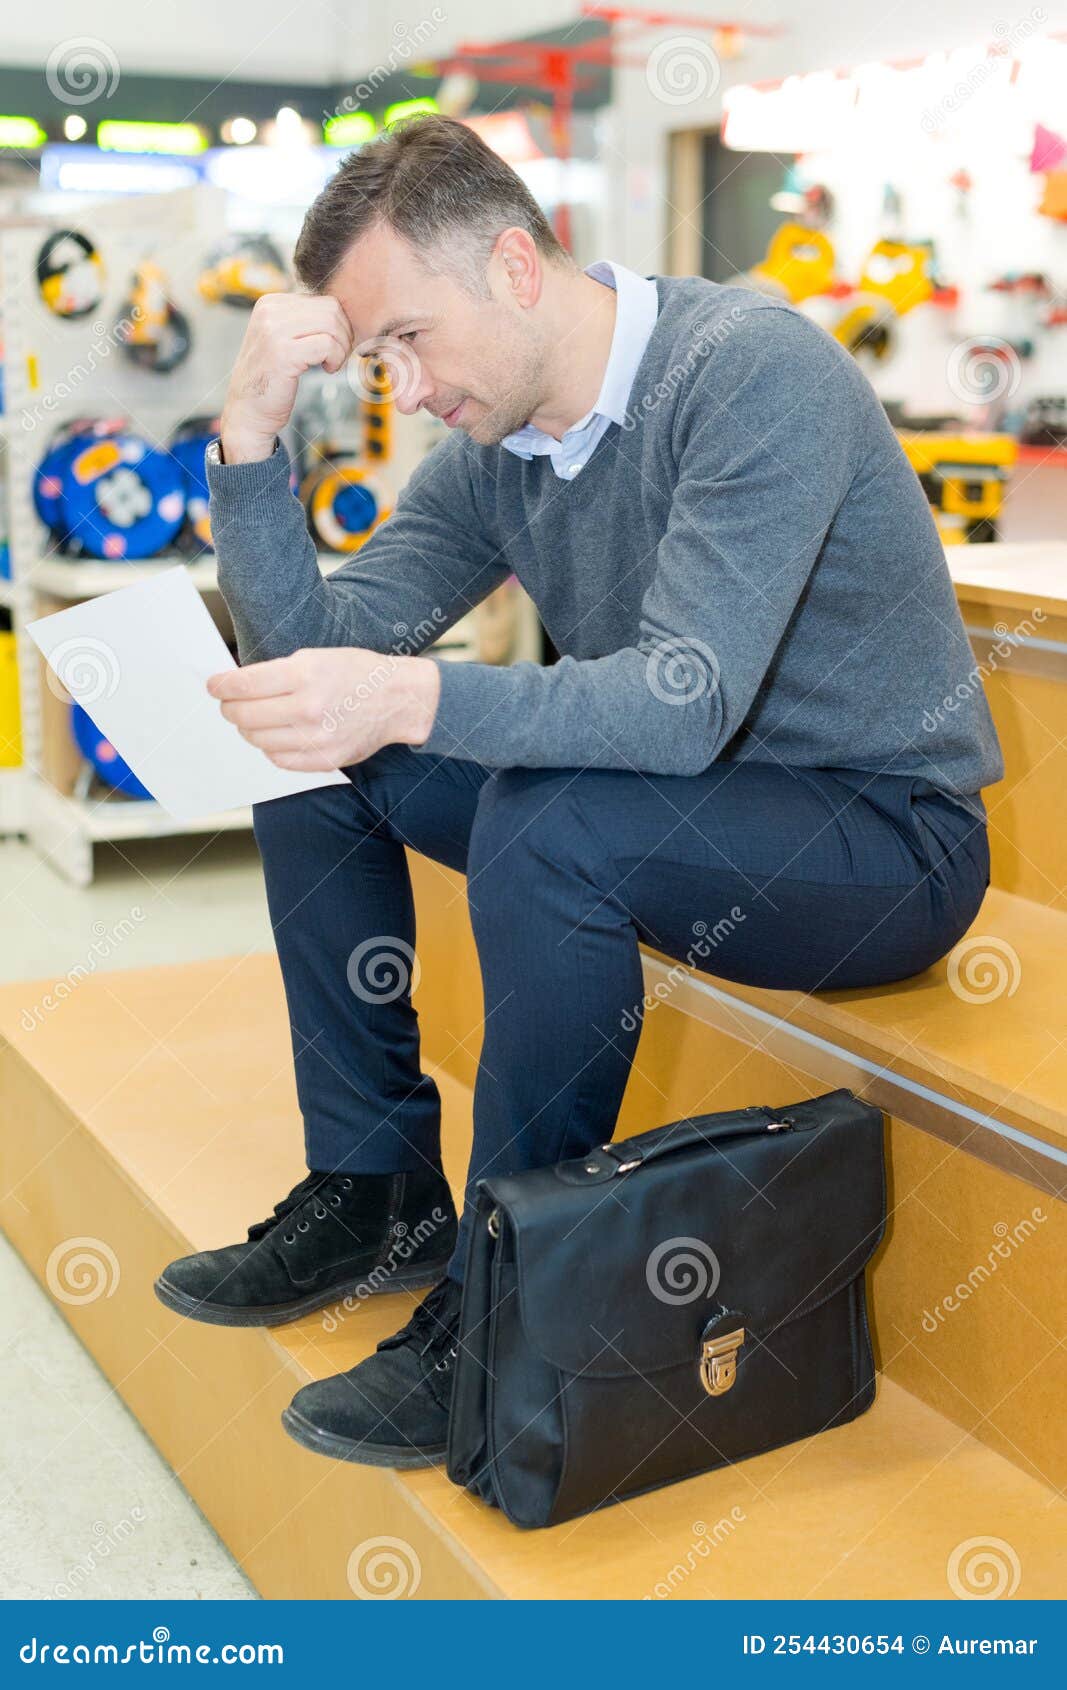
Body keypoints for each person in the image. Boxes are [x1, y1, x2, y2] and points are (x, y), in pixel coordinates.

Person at [154, 115, 1002, 1471]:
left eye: (411, 340)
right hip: (683, 807)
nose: (407, 387)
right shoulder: (502, 450)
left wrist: (415, 695)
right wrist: (251, 434)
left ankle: (505, 1304)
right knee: (319, 755)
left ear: (516, 265)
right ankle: (377, 1193)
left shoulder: (748, 371)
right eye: (376, 358)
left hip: (880, 836)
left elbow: (685, 697)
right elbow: (313, 652)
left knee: (553, 824)